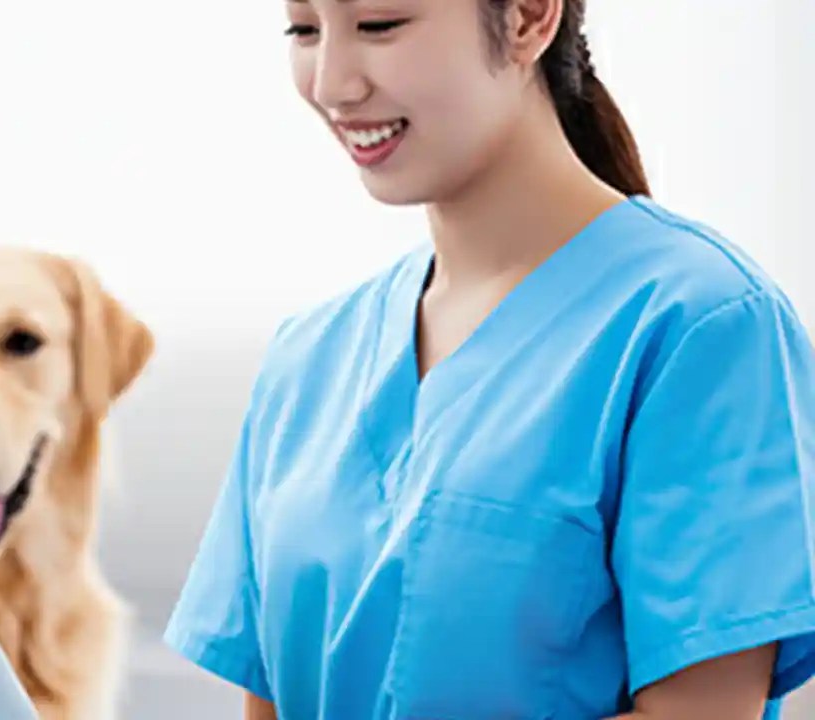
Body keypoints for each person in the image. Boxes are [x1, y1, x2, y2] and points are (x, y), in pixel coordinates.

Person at [161, 0, 815, 718]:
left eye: (378, 25)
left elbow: (702, 714)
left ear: (530, 17)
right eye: (304, 30)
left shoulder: (701, 326)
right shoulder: (305, 361)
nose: (332, 83)